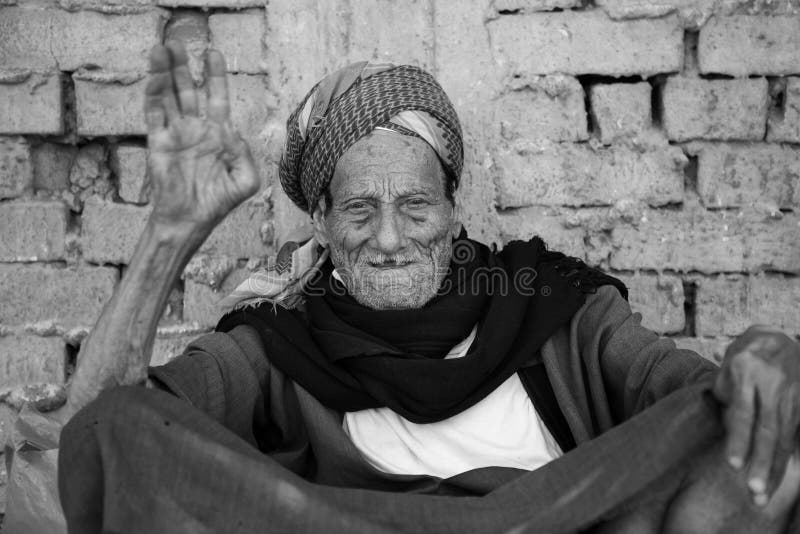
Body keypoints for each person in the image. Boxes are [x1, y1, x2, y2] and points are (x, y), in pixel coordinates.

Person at [57, 41, 800, 533]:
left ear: (452, 207)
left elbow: (689, 393)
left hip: (556, 521)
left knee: (763, 421)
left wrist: (768, 356)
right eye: (358, 209)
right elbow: (95, 439)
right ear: (319, 217)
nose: (388, 238)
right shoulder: (279, 342)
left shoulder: (554, 308)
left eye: (415, 205)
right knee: (123, 430)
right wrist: (169, 235)